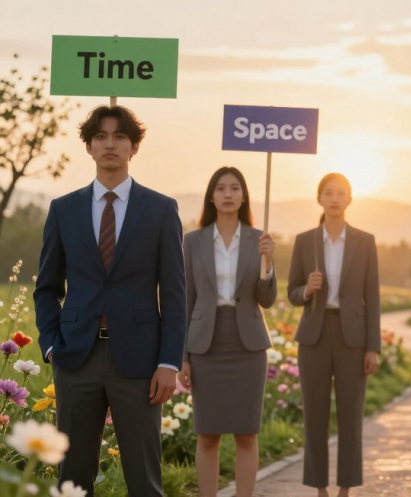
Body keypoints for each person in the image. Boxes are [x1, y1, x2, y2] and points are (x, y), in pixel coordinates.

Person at [34, 104, 186, 496]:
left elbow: (174, 294)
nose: (110, 144)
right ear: (88, 146)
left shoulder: (160, 209)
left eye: (120, 136)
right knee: (72, 479)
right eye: (100, 136)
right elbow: (47, 288)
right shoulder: (63, 209)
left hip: (139, 363)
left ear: (134, 147)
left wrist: (169, 361)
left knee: (144, 478)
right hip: (75, 358)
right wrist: (51, 345)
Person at [178, 167, 277, 497]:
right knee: (208, 434)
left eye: (235, 188)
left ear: (244, 195)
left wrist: (269, 264)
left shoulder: (258, 239)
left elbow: (267, 299)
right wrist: (183, 358)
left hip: (247, 347)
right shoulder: (193, 241)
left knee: (246, 434)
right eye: (221, 188)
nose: (228, 194)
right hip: (206, 345)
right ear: (211, 196)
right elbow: (186, 299)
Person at [288, 173, 381, 497]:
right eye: (328, 193)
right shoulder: (305, 241)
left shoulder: (364, 240)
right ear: (319, 199)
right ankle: (320, 489)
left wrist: (373, 347)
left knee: (350, 416)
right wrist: (306, 289)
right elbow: (291, 292)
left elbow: (373, 296)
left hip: (353, 338)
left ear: (350, 199)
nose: (335, 198)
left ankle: (345, 488)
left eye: (341, 193)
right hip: (314, 334)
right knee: (314, 416)